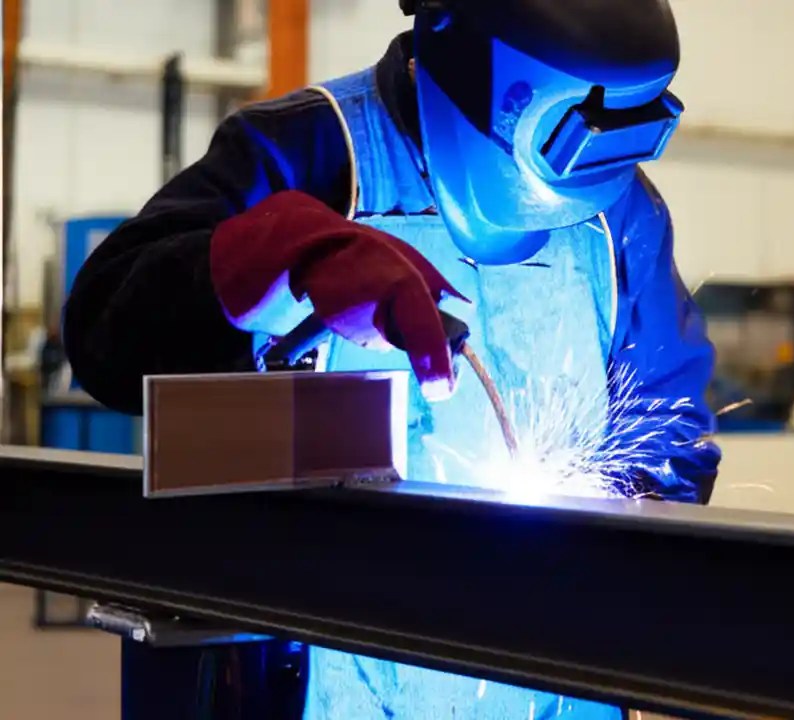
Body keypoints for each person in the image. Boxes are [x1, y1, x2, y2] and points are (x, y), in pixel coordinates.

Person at [63, 0, 720, 717]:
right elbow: (103, 337)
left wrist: (618, 541)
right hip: (325, 674)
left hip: (552, 684)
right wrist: (283, 260)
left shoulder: (619, 209)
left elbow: (667, 422)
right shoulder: (311, 150)